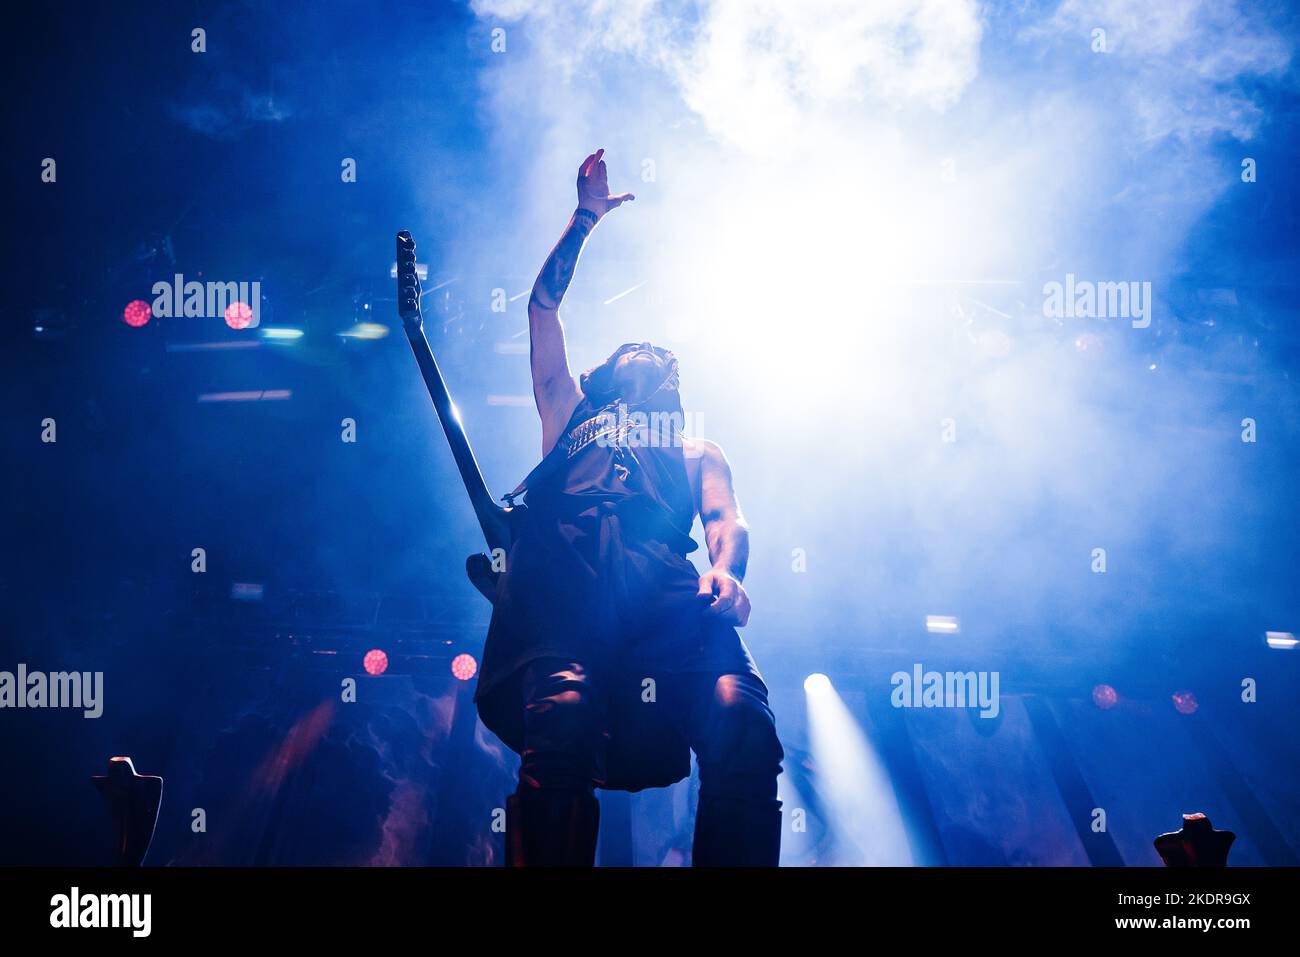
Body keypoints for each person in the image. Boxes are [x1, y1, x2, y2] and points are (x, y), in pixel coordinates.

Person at [474, 149, 783, 866]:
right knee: (562, 725)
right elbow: (542, 307)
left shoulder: (696, 447)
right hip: (569, 599)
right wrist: (584, 219)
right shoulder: (567, 411)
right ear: (607, 374)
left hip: (673, 604)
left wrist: (729, 572)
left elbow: (725, 519)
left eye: (662, 356)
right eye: (635, 350)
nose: (651, 354)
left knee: (743, 720)